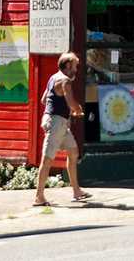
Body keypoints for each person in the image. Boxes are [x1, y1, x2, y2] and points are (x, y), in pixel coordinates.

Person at [33, 52, 88, 206]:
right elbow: (71, 102)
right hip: (57, 122)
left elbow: (44, 99)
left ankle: (76, 191)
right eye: (75, 66)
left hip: (58, 122)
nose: (76, 70)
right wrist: (78, 109)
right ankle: (39, 197)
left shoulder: (53, 77)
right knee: (47, 159)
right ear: (68, 66)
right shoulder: (65, 81)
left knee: (73, 151)